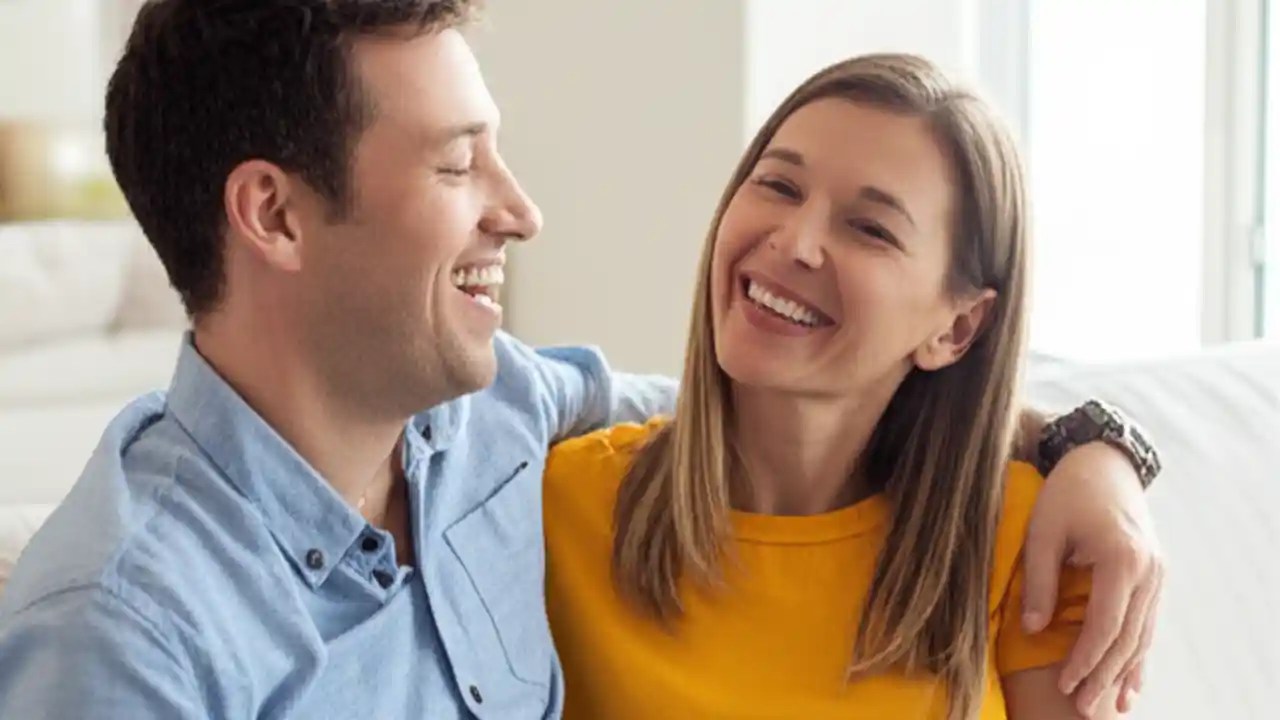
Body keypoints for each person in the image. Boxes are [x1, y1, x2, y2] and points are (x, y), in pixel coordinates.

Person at [0, 4, 1159, 719]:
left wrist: (1094, 446)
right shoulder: (123, 637)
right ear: (277, 216)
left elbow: (789, 417)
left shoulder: (496, 420)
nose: (522, 211)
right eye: (459, 167)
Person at [544, 54, 1155, 719]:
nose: (796, 241)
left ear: (957, 328)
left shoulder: (1029, 541)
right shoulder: (556, 507)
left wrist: (1105, 449)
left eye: (870, 229)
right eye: (779, 185)